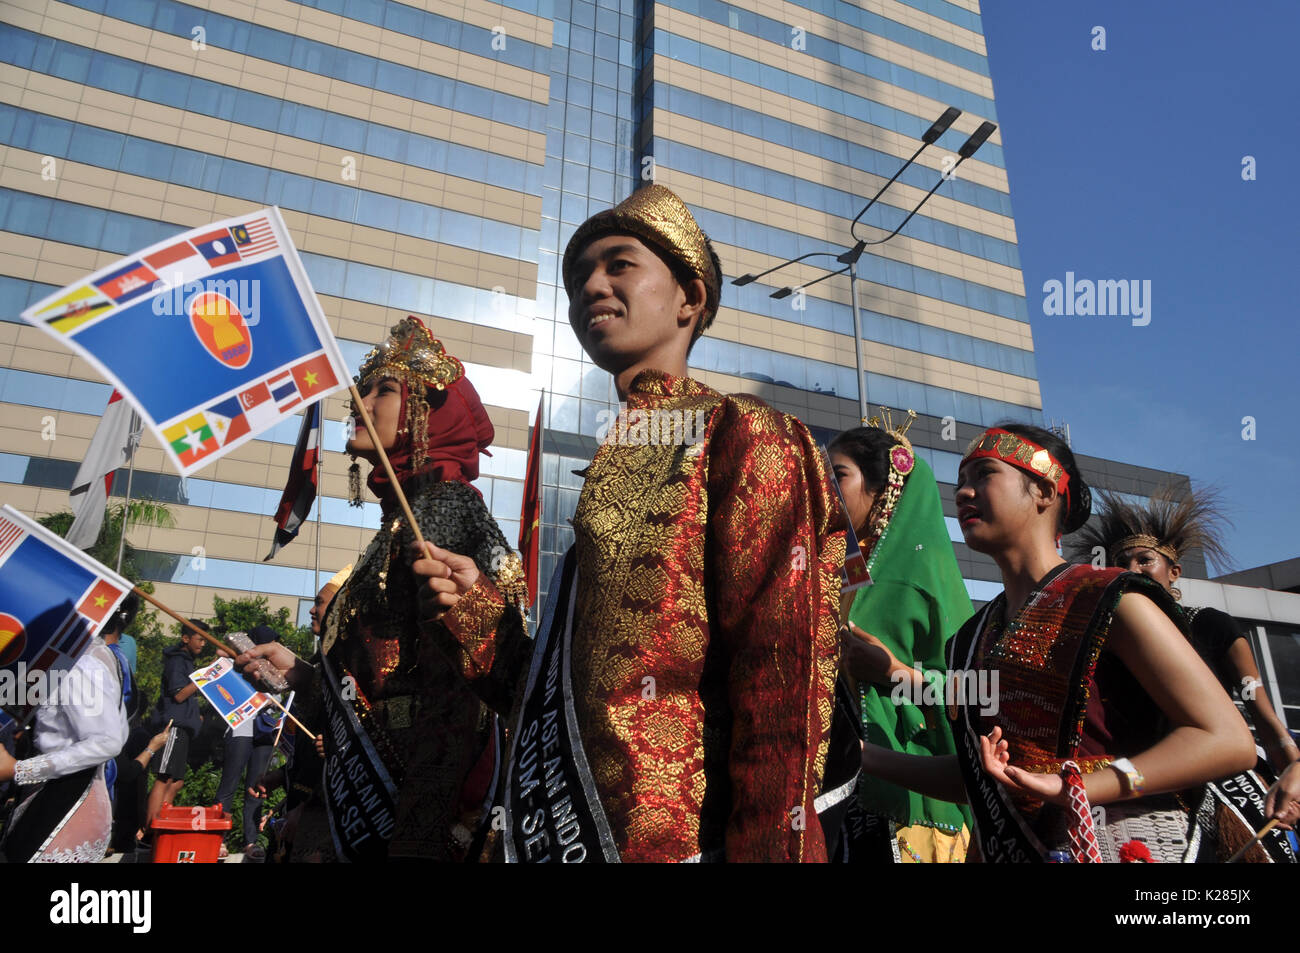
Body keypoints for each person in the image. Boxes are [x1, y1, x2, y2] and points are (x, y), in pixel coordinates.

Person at [411, 184, 847, 862]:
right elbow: (552, 697)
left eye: (619, 264)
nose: (591, 285)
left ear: (690, 297)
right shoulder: (608, 469)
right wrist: (475, 611)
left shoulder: (743, 432)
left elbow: (783, 681)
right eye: (579, 274)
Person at [859, 423, 1255, 862]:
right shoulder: (970, 639)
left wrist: (1077, 787)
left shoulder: (1109, 599)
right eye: (961, 483)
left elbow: (1226, 741)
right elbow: (981, 780)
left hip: (1124, 845)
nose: (964, 493)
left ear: (1045, 491)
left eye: (984, 474)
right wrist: (858, 755)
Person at [241, 319, 527, 861]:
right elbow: (376, 677)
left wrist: (418, 837)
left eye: (383, 390)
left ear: (430, 414)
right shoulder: (402, 520)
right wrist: (300, 672)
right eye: (363, 386)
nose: (359, 399)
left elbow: (454, 700)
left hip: (409, 808)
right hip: (376, 794)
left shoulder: (442, 508)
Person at [1073, 486, 1298, 862]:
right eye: (1121, 563)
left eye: (1145, 560)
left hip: (1219, 787)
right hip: (1135, 796)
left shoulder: (1211, 626)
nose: (1132, 571)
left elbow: (1265, 719)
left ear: (1174, 572)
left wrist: (1293, 770)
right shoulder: (1100, 642)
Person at [830, 415, 974, 862]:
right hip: (831, 784)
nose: (824, 488)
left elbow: (970, 695)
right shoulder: (832, 570)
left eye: (838, 476)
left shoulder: (923, 571)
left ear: (885, 488)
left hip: (911, 794)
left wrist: (891, 673)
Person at [0, 634, 128, 862]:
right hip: (48, 790)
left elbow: (107, 741)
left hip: (70, 797)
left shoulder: (82, 663)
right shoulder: (68, 657)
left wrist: (20, 769)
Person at [214, 625, 282, 855]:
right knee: (229, 785)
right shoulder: (238, 662)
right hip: (240, 727)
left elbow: (280, 696)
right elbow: (219, 665)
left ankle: (251, 841)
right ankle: (217, 839)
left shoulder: (274, 668)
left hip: (264, 731)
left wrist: (272, 700)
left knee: (256, 787)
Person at [144, 619, 208, 831]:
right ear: (186, 638)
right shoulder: (177, 662)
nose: (202, 644)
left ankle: (160, 822)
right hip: (173, 727)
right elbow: (179, 695)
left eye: (205, 640)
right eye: (199, 639)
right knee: (165, 777)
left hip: (184, 728)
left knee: (177, 781)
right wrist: (204, 677)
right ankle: (148, 829)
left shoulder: (187, 662)